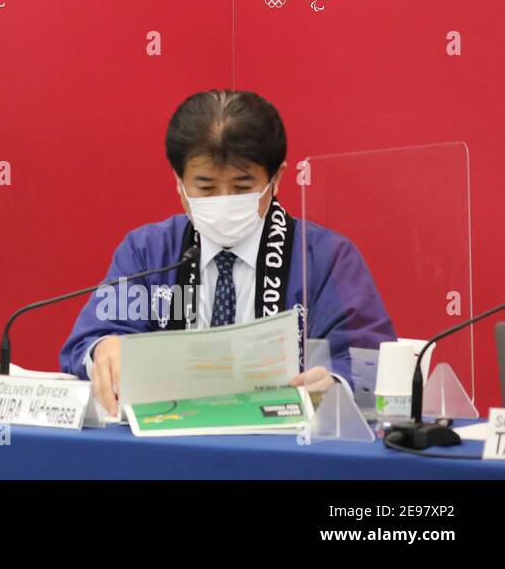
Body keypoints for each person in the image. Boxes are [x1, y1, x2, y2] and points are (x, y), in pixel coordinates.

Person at [60, 89, 396, 416]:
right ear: (179, 183)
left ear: (276, 179)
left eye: (242, 187)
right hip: (168, 445)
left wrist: (334, 384)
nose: (223, 200)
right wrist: (105, 348)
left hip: (287, 448)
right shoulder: (149, 252)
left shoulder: (326, 258)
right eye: (205, 187)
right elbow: (90, 339)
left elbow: (371, 359)